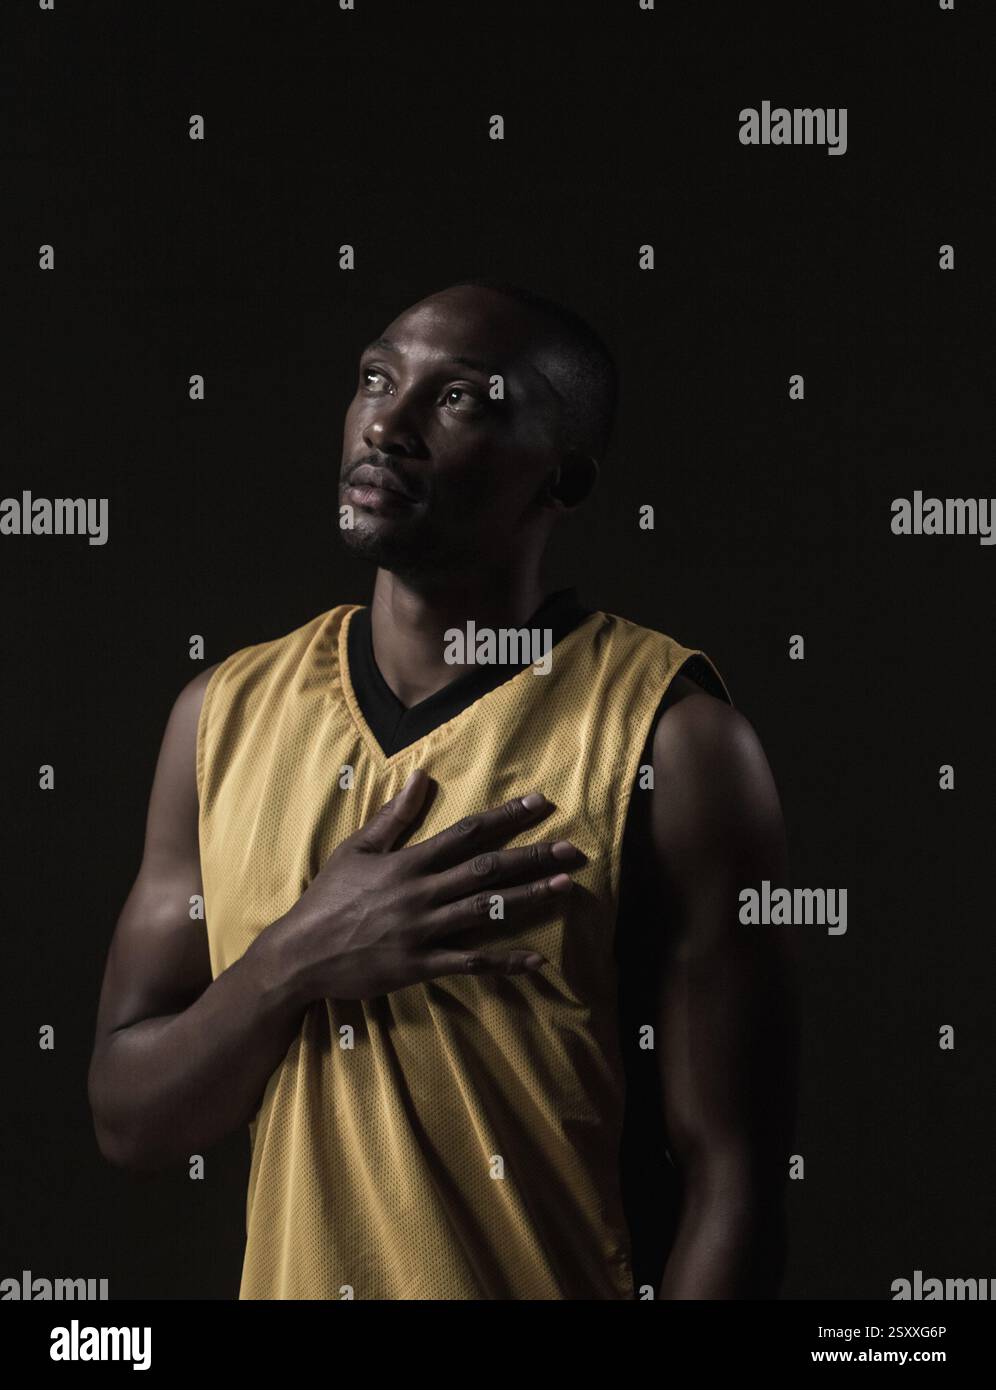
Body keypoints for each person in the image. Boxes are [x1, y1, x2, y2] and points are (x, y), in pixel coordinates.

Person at [88, 277, 796, 1300]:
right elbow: (130, 1116)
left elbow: (736, 1181)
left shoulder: (674, 742)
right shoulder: (219, 716)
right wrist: (295, 959)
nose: (388, 421)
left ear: (565, 478)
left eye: (460, 397)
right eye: (375, 378)